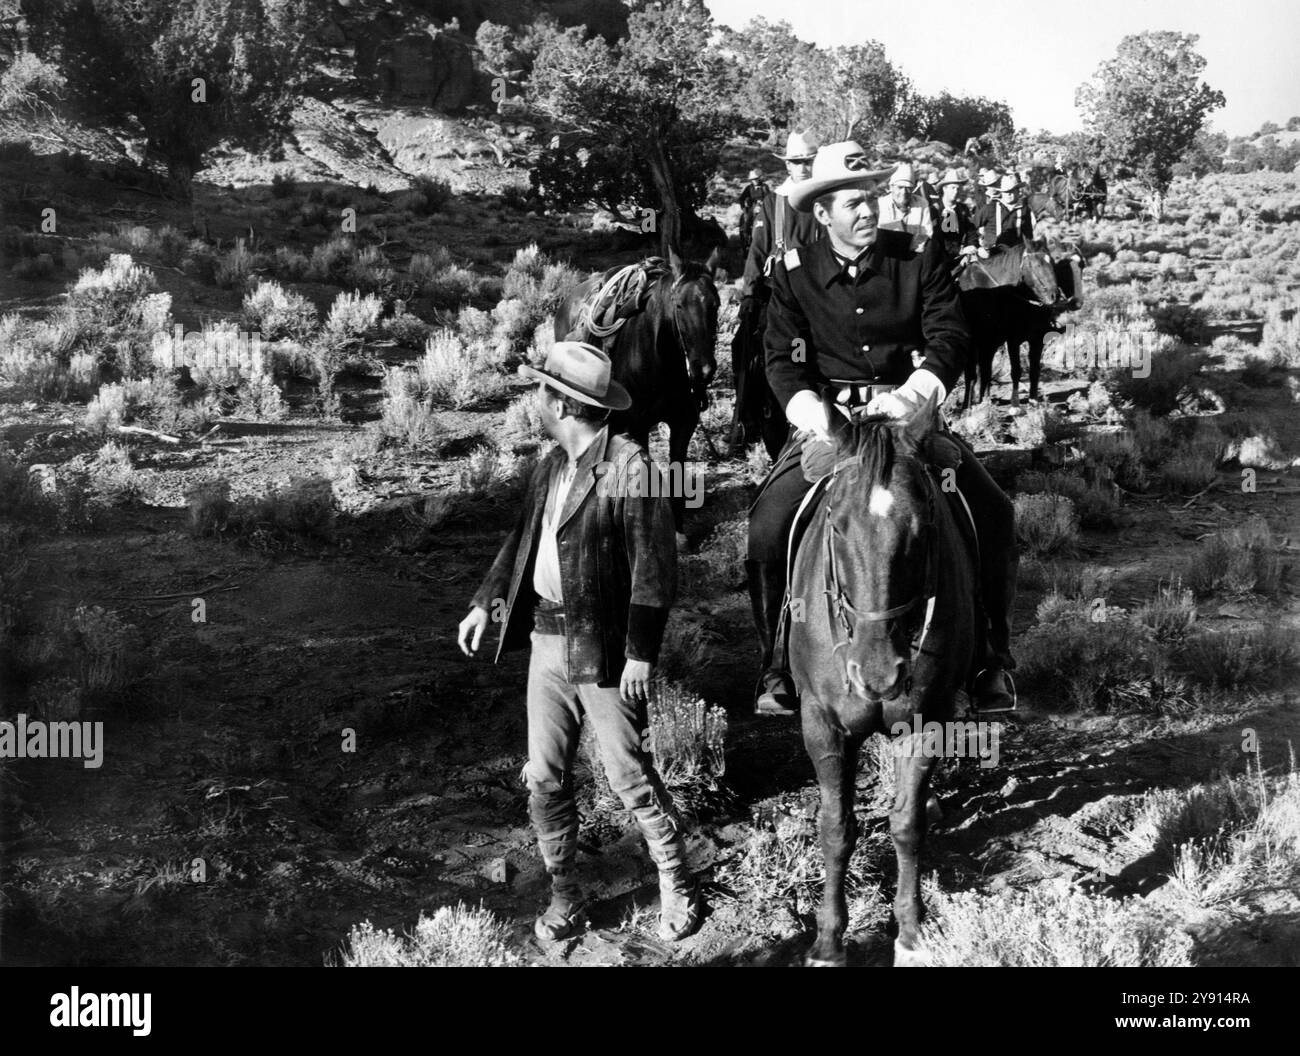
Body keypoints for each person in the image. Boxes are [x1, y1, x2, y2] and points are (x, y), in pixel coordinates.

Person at [744, 141, 1019, 718]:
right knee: (769, 528)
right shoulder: (795, 273)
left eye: (870, 198)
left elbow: (951, 337)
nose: (868, 211)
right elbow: (781, 358)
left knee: (992, 513)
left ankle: (991, 655)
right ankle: (776, 663)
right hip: (833, 427)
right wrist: (810, 412)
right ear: (821, 213)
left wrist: (911, 396)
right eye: (853, 203)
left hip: (907, 421)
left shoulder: (916, 256)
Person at [457, 341, 700, 943]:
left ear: (563, 405)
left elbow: (654, 569)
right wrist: (486, 605)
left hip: (606, 647)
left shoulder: (631, 467)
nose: (535, 400)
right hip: (546, 637)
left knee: (628, 776)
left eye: (542, 391)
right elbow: (521, 541)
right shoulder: (549, 466)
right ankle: (563, 892)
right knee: (543, 775)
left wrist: (642, 652)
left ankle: (676, 878)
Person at [729, 130, 825, 457]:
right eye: (796, 161)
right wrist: (748, 295)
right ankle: (746, 419)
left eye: (807, 161)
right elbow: (757, 253)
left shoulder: (826, 200)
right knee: (743, 347)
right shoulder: (772, 204)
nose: (802, 167)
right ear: (788, 164)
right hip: (779, 297)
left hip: (823, 296)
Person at [876, 162, 935, 252]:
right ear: (891, 187)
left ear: (913, 189)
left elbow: (927, 235)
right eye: (900, 187)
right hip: (887, 256)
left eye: (908, 188)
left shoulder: (921, 203)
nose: (904, 192)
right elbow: (880, 237)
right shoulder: (881, 205)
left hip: (914, 257)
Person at [934, 168, 977, 260]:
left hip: (960, 256)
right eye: (953, 188)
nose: (956, 191)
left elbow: (971, 230)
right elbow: (936, 238)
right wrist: (959, 251)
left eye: (958, 188)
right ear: (944, 188)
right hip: (939, 257)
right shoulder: (935, 210)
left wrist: (972, 245)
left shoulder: (962, 209)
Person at [736, 168, 769, 257]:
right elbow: (741, 198)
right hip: (752, 207)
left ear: (759, 178)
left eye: (756, 179)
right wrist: (744, 208)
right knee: (747, 221)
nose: (755, 181)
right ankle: (746, 237)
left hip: (763, 207)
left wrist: (763, 203)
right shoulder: (749, 188)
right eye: (753, 179)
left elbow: (769, 198)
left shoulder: (764, 187)